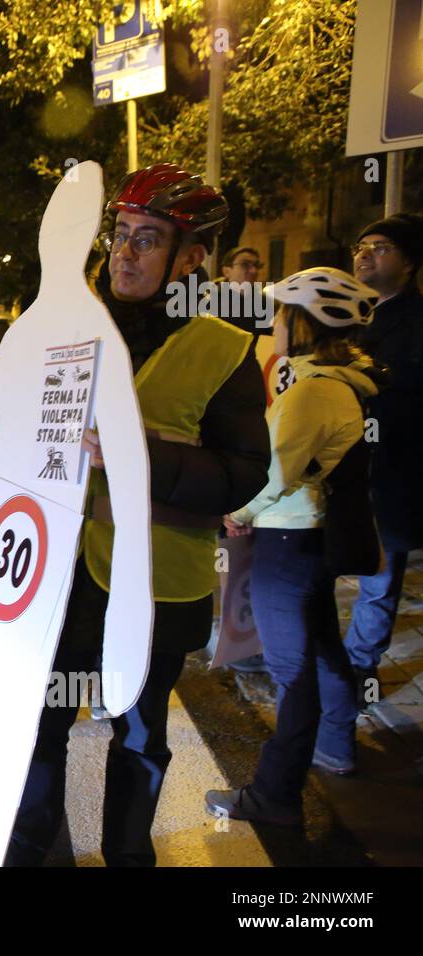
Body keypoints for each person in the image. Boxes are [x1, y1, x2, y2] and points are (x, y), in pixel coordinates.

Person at [6, 163, 271, 866]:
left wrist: (141, 454)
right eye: (120, 234)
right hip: (56, 577)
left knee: (141, 736)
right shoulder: (67, 330)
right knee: (41, 723)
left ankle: (128, 856)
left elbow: (245, 473)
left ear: (190, 258)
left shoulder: (224, 350)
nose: (124, 253)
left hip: (155, 582)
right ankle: (30, 845)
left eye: (146, 240)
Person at [206, 268, 382, 824]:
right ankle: (336, 745)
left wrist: (236, 513)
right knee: (323, 650)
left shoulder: (313, 392)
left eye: (281, 313)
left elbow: (275, 471)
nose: (273, 323)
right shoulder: (334, 384)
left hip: (287, 541)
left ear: (304, 323)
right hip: (308, 537)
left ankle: (276, 795)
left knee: (292, 670)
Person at [344, 213, 423, 710]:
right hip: (338, 467)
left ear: (409, 264)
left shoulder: (415, 322)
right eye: (361, 245)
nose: (365, 254)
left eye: (380, 247)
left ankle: (358, 669)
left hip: (390, 472)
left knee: (379, 577)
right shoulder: (347, 313)